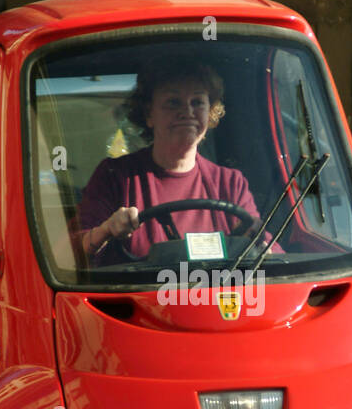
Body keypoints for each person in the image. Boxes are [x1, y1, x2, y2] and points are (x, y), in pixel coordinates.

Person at [79, 53, 262, 263]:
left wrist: (259, 244)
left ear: (210, 112)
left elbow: (266, 250)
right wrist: (107, 229)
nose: (187, 111)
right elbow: (71, 254)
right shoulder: (114, 176)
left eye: (197, 102)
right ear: (149, 114)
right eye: (173, 102)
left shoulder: (231, 183)